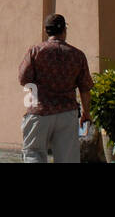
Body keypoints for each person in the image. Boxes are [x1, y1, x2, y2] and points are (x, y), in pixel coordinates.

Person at [18, 13, 92, 163]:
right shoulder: (78, 55)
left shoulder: (35, 51)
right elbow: (85, 88)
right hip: (67, 112)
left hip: (40, 111)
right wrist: (86, 113)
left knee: (34, 153)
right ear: (64, 30)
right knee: (68, 158)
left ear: (46, 30)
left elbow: (23, 78)